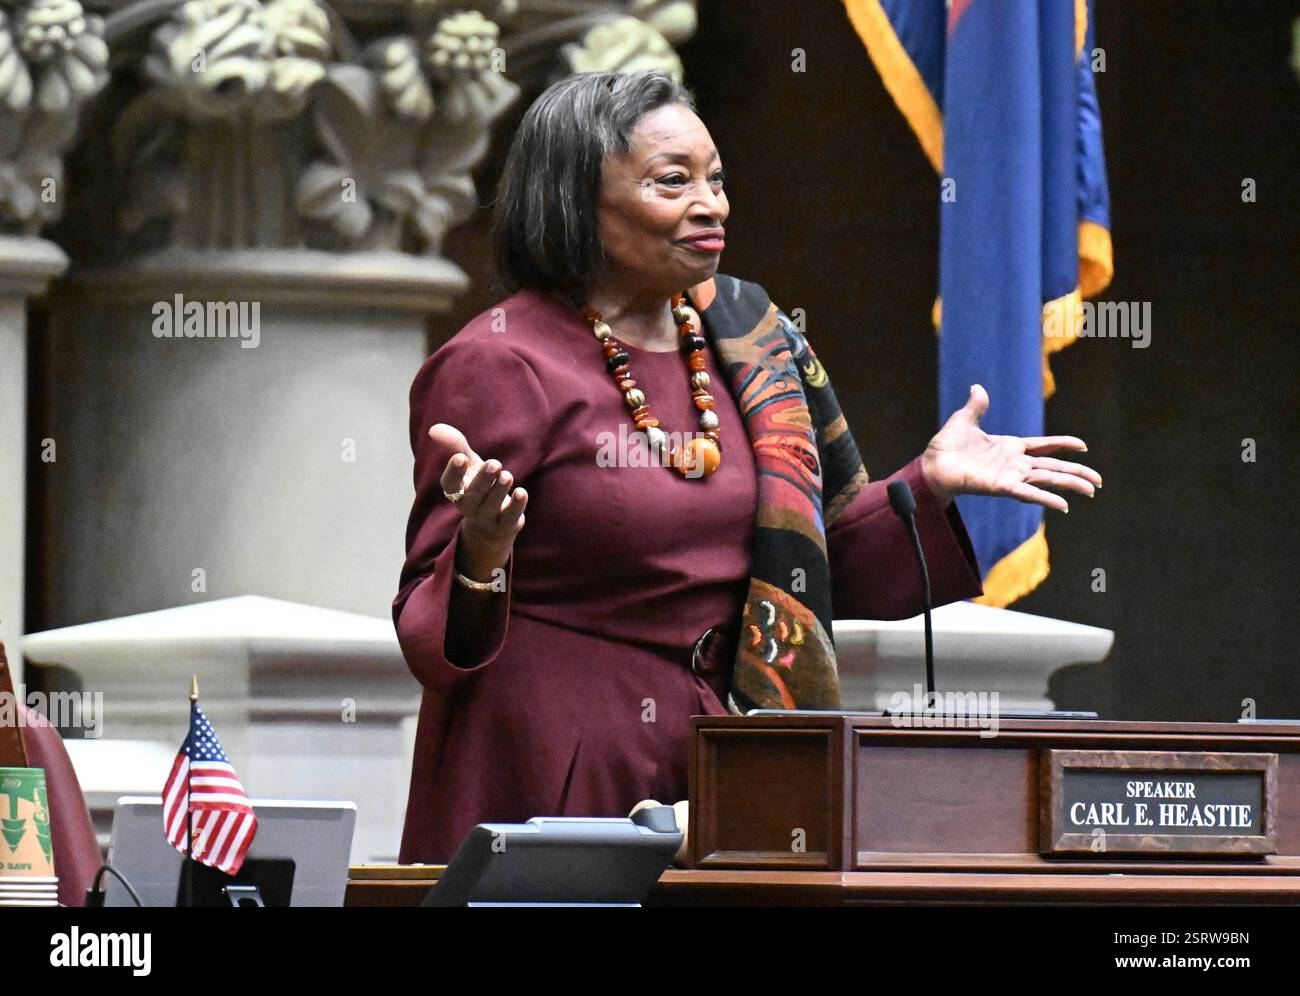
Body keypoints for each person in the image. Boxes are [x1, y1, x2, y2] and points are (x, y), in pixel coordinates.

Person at [392, 71, 1101, 863]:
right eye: (673, 182)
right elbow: (427, 633)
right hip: (556, 759)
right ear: (573, 198)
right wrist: (482, 553)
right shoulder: (501, 361)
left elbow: (810, 574)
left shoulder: (749, 335)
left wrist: (923, 485)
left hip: (729, 753)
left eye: (717, 179)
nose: (712, 204)